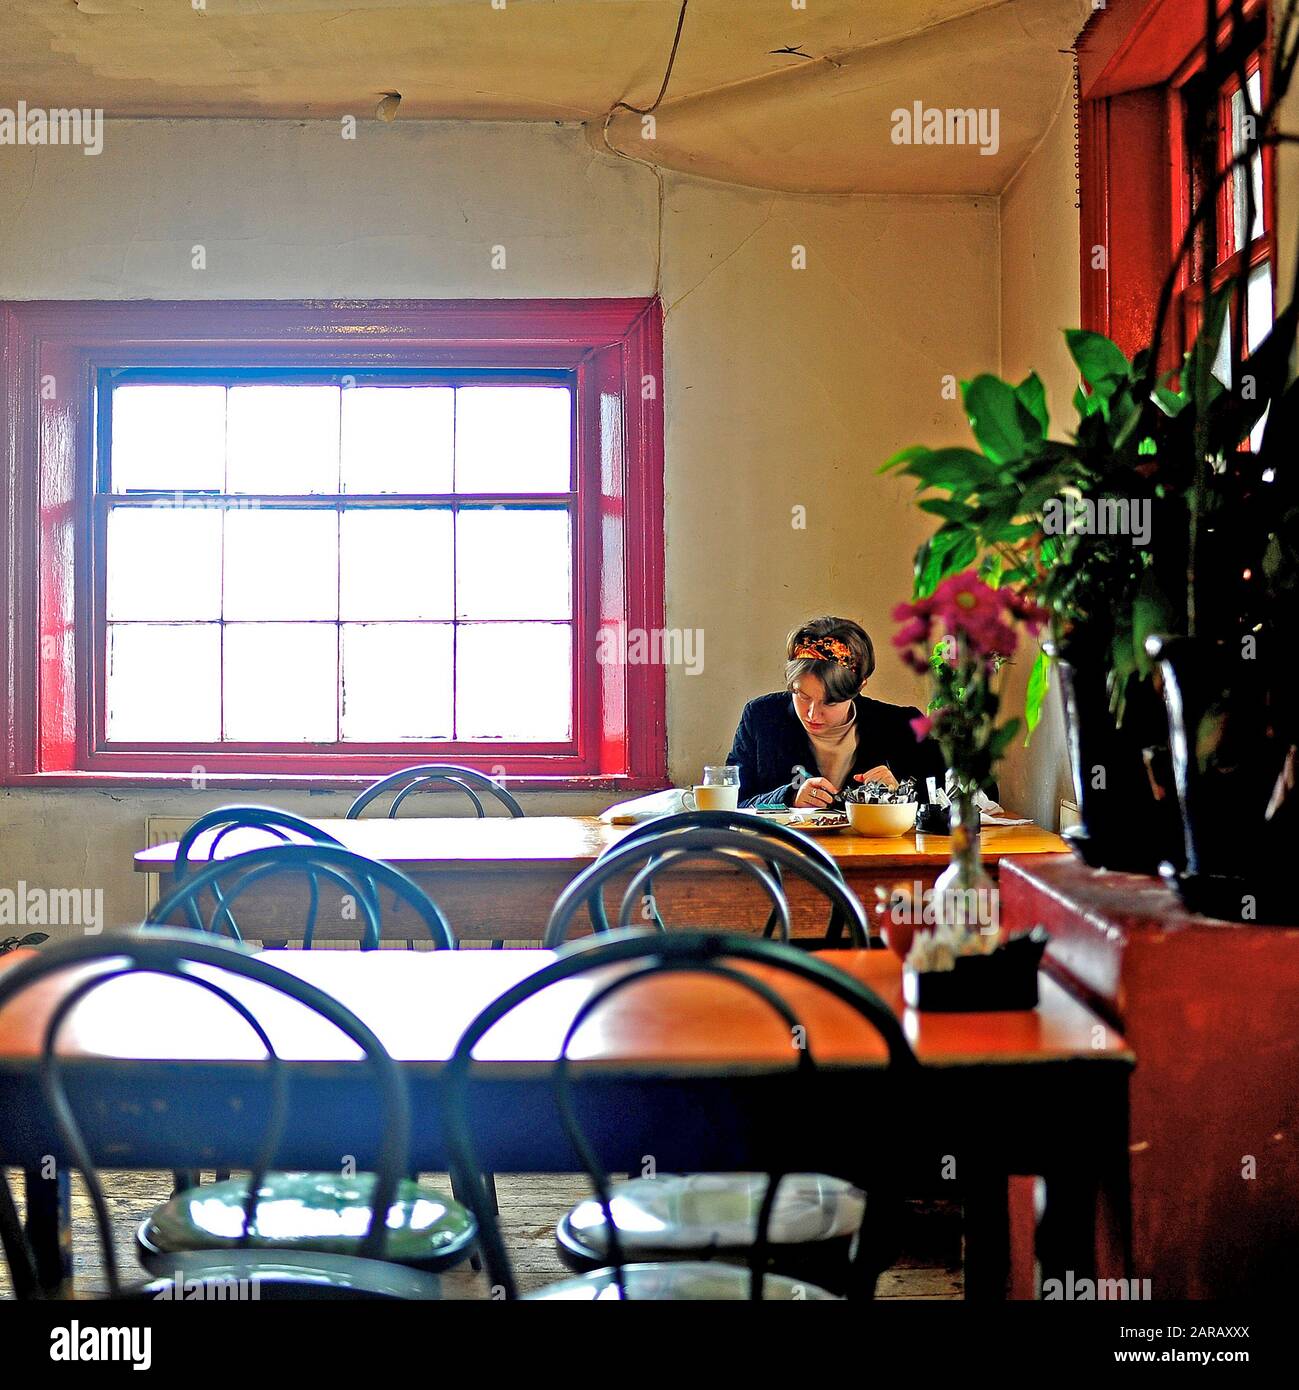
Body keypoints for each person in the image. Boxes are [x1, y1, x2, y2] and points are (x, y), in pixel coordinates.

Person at [727, 615, 946, 809]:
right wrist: (787, 797)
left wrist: (901, 795)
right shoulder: (761, 718)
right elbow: (731, 803)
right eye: (802, 695)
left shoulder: (900, 726)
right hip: (785, 854)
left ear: (859, 686)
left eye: (830, 702)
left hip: (882, 855)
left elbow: (950, 802)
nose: (812, 714)